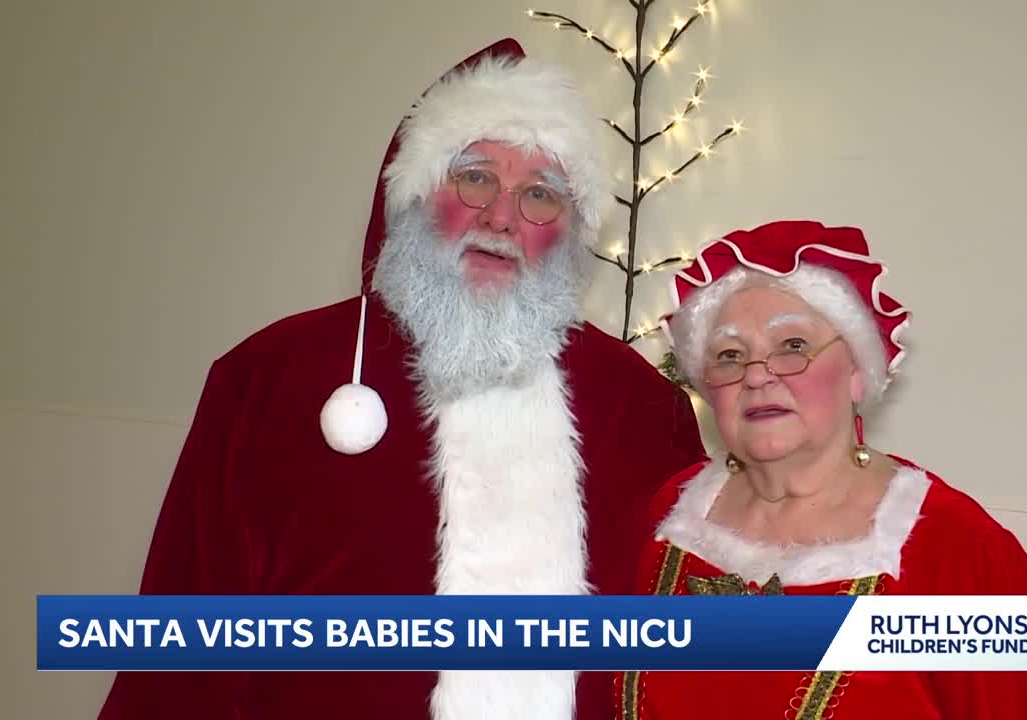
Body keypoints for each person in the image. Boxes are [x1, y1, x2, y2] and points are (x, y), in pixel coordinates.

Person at [99, 38, 706, 720]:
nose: (501, 217)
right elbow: (181, 660)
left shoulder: (640, 407)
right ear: (416, 195)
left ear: (569, 230)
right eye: (475, 178)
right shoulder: (268, 380)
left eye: (539, 195)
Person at [616, 220, 1027, 719]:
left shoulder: (956, 548)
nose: (756, 376)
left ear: (859, 372)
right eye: (729, 355)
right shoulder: (675, 514)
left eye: (793, 346)